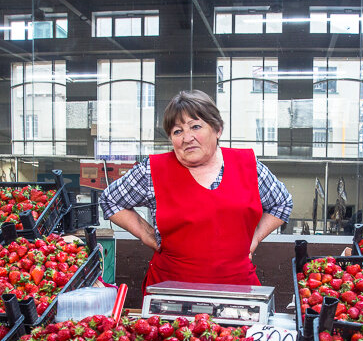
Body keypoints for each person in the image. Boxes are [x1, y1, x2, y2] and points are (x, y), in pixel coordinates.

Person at [99, 90, 292, 293]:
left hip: (237, 291)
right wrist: (150, 236)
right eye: (177, 131)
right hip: (170, 292)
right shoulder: (152, 171)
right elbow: (111, 201)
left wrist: (253, 240)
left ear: (217, 129)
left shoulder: (248, 165)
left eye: (196, 126)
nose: (187, 138)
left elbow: (282, 203)